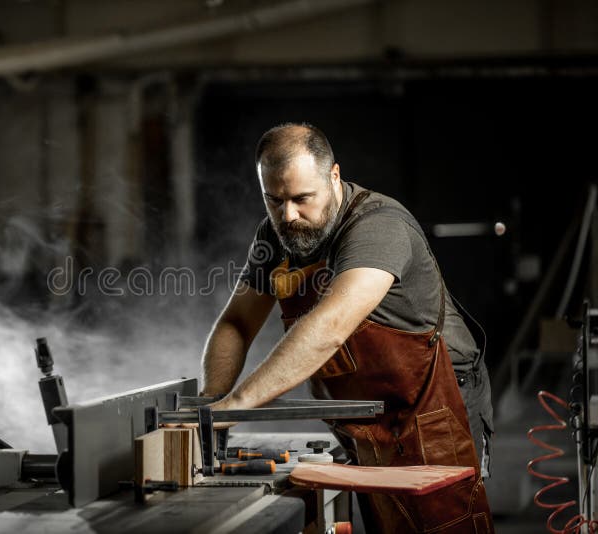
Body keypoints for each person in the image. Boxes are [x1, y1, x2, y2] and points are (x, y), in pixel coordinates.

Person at [200, 123, 494, 533]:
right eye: (274, 200)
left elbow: (330, 327)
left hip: (433, 406)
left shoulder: (378, 226)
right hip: (365, 418)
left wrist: (236, 405)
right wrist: (210, 405)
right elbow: (235, 323)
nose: (288, 215)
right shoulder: (275, 236)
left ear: (333, 177)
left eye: (302, 199)